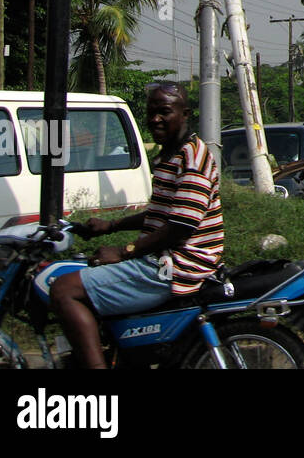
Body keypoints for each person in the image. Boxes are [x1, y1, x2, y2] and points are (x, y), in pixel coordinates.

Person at [50, 82, 223, 369]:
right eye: (151, 111)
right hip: (166, 260)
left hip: (176, 265)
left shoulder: (192, 158)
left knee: (63, 289)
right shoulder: (171, 155)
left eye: (164, 111)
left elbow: (180, 226)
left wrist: (124, 250)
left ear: (185, 114)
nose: (155, 118)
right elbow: (161, 214)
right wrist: (111, 225)